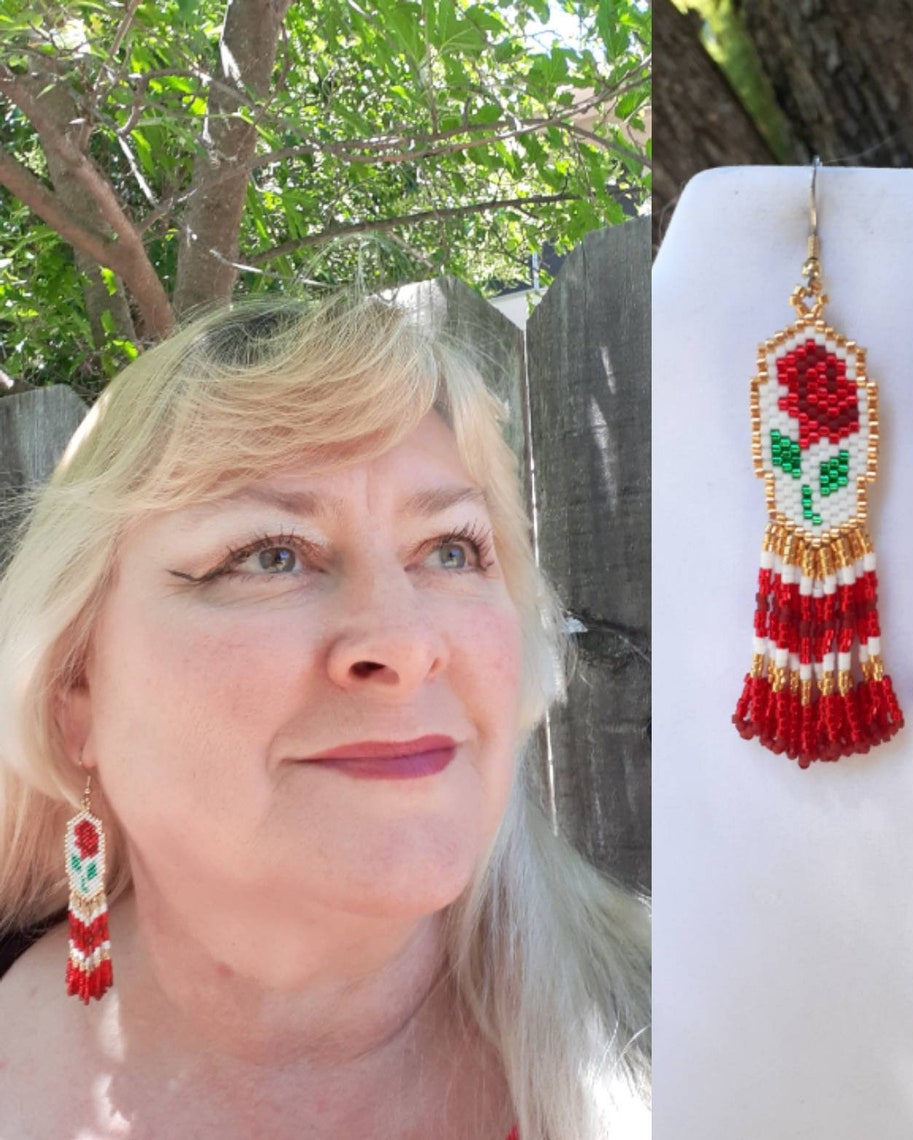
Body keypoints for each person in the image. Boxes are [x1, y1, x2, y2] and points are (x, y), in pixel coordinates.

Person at [0, 293, 651, 1138]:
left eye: (451, 550)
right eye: (271, 556)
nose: (406, 643)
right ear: (73, 694)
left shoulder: (710, 1032)